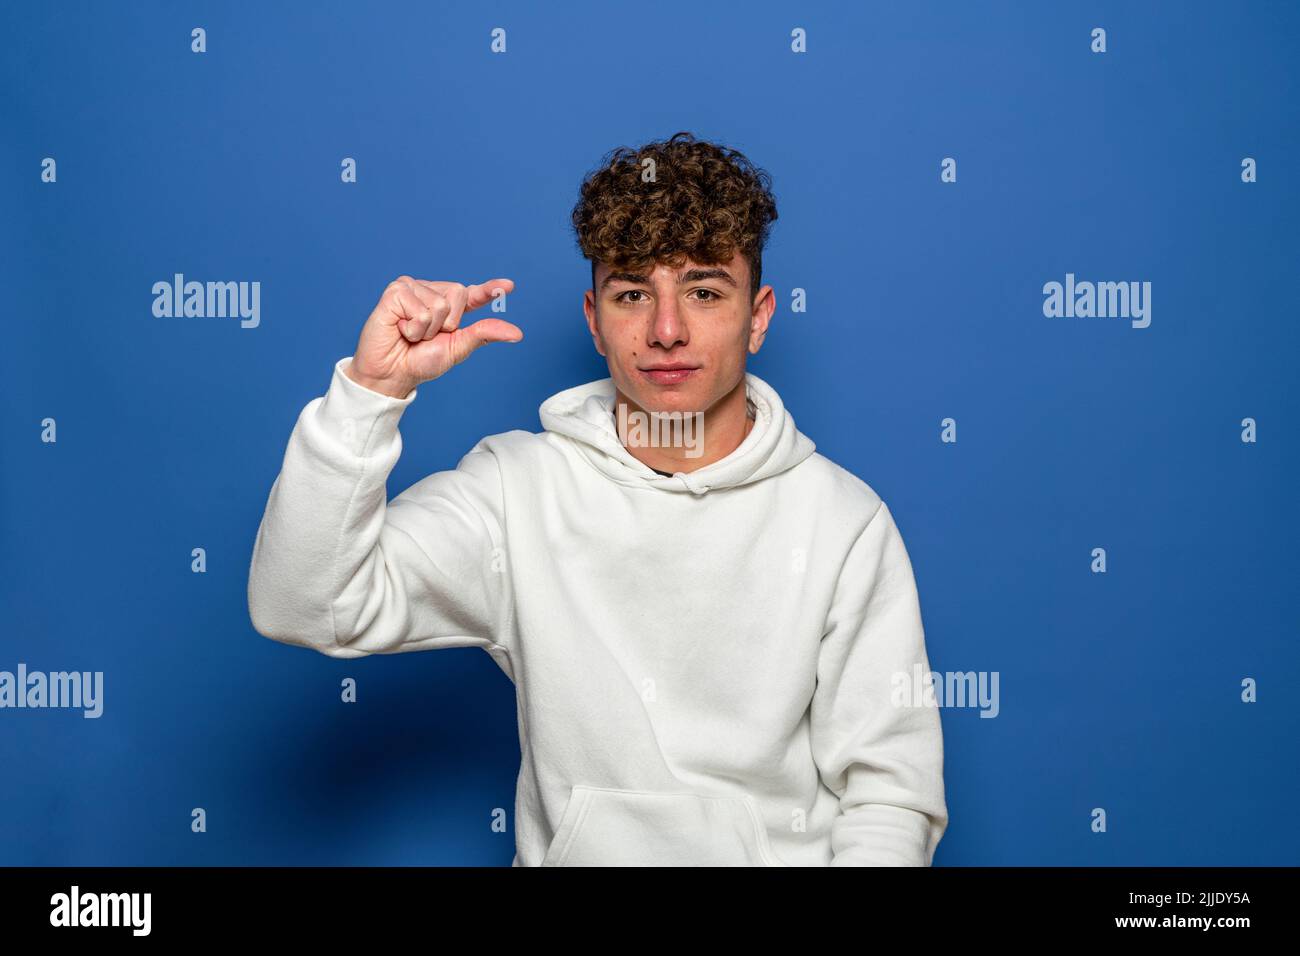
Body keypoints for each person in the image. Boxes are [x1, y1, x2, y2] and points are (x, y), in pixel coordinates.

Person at [247, 131, 948, 866]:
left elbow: (890, 796)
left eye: (704, 292)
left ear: (759, 315)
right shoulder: (517, 492)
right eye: (633, 294)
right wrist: (371, 393)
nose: (667, 331)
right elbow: (305, 604)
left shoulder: (842, 522)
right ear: (594, 319)